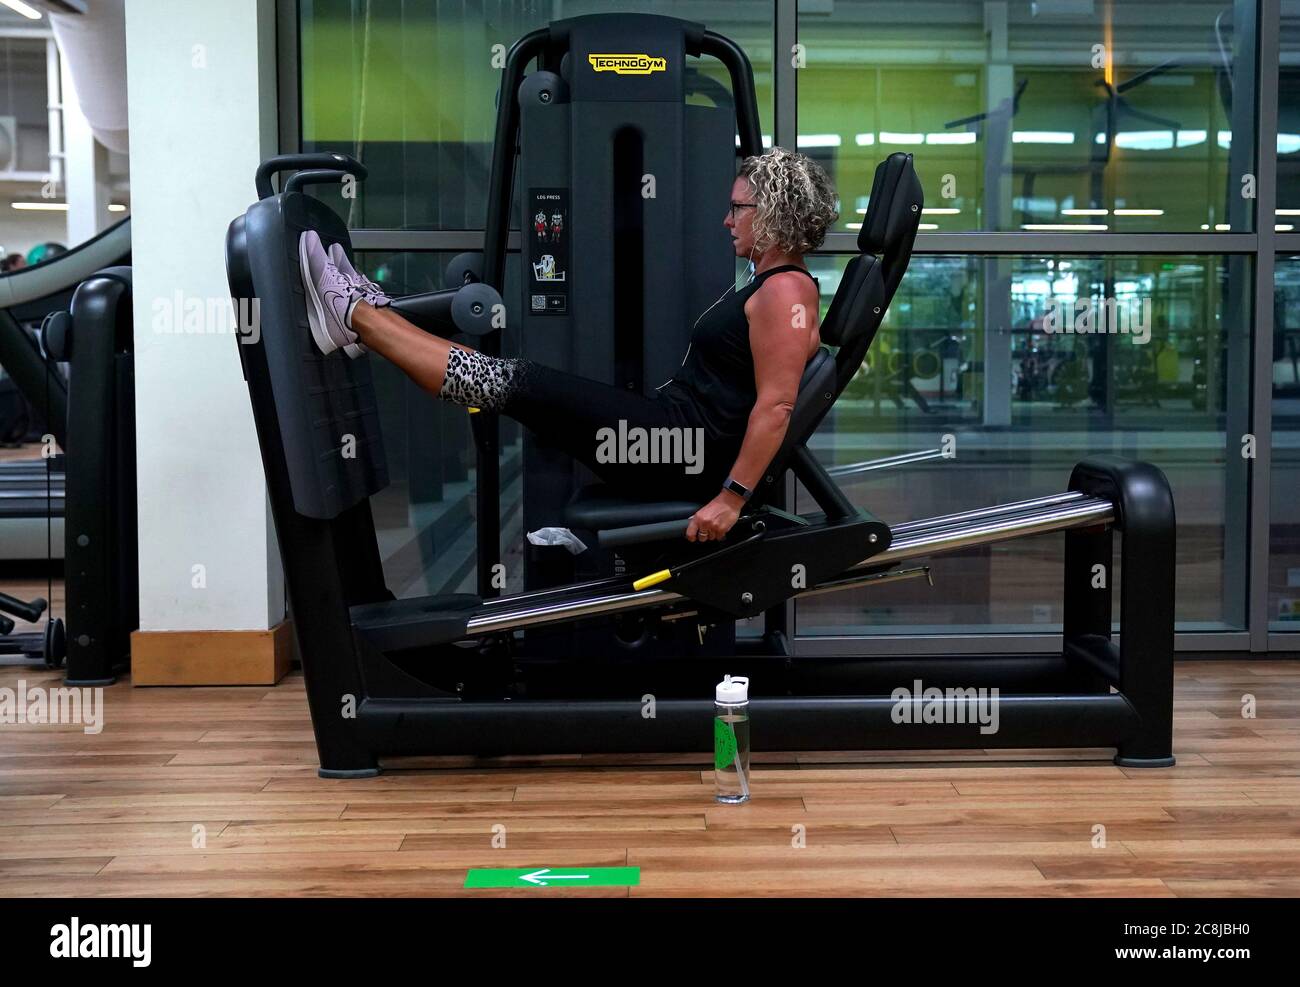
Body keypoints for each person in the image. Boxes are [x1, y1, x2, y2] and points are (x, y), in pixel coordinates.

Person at [298, 146, 838, 542]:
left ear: (772, 213)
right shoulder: (774, 287)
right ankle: (364, 317)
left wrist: (731, 498)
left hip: (676, 448)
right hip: (669, 434)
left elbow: (778, 404)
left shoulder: (787, 289)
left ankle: (356, 315)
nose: (728, 219)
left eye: (738, 208)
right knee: (516, 386)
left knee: (518, 383)